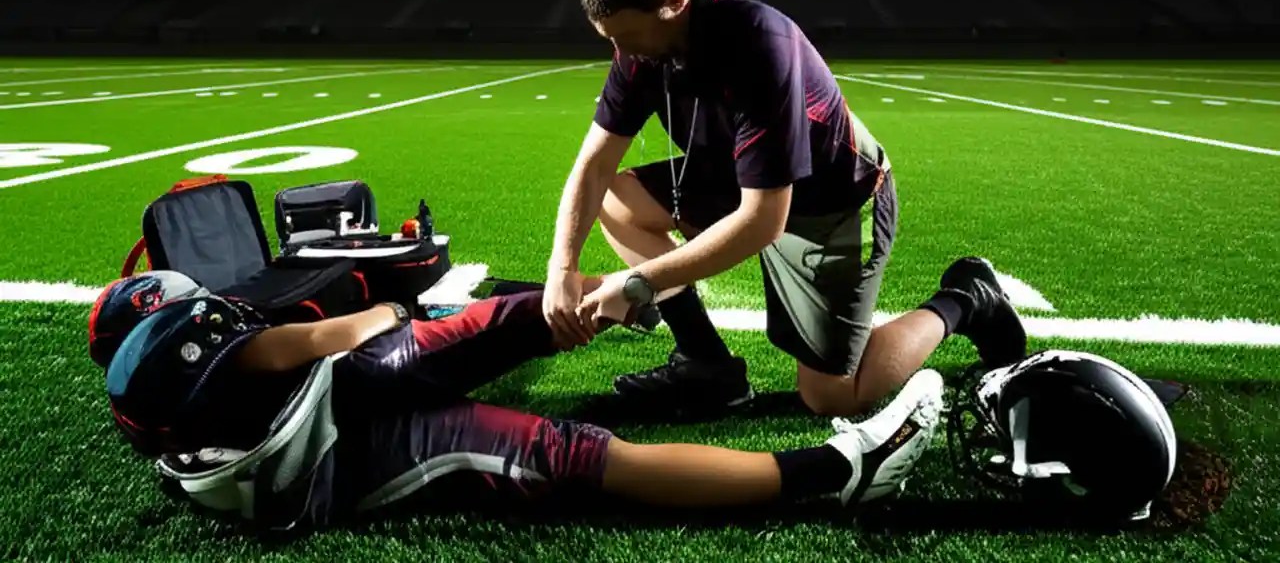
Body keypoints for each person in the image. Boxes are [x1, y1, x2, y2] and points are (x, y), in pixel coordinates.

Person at [544, 0, 1027, 418]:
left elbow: (763, 221)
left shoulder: (759, 43)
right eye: (611, 39)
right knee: (617, 200)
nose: (622, 54)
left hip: (830, 202)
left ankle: (967, 298)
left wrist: (640, 281)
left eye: (628, 36)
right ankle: (706, 365)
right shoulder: (642, 49)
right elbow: (595, 165)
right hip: (742, 179)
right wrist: (562, 268)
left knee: (833, 396)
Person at [95, 275, 944, 531]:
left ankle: (608, 306)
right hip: (333, 450)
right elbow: (335, 337)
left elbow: (300, 360)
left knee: (499, 334)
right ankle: (841, 470)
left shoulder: (189, 442)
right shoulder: (220, 380)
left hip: (312, 433)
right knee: (576, 453)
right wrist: (392, 308)